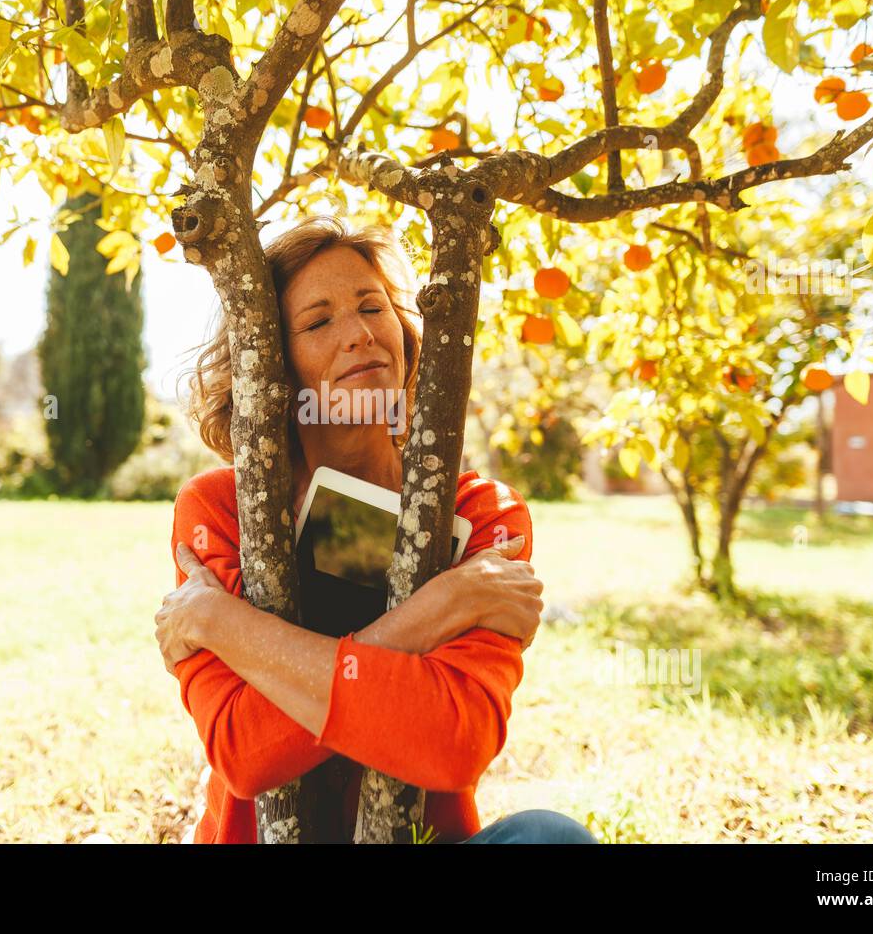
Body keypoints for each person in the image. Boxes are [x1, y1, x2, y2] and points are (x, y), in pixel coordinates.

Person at [155, 214, 596, 845]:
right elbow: (246, 752)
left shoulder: (484, 519)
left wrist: (226, 626)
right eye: (318, 321)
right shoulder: (219, 509)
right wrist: (439, 607)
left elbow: (452, 742)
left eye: (372, 306)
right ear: (271, 363)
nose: (360, 334)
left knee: (552, 838)